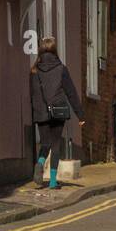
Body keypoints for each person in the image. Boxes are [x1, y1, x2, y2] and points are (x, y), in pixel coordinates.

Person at [30, 38, 84, 189]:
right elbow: (71, 92)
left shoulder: (34, 70)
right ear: (55, 50)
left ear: (40, 50)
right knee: (55, 145)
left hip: (41, 112)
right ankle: (53, 181)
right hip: (58, 111)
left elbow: (32, 95)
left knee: (45, 142)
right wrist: (80, 114)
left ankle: (40, 162)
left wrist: (35, 113)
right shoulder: (61, 68)